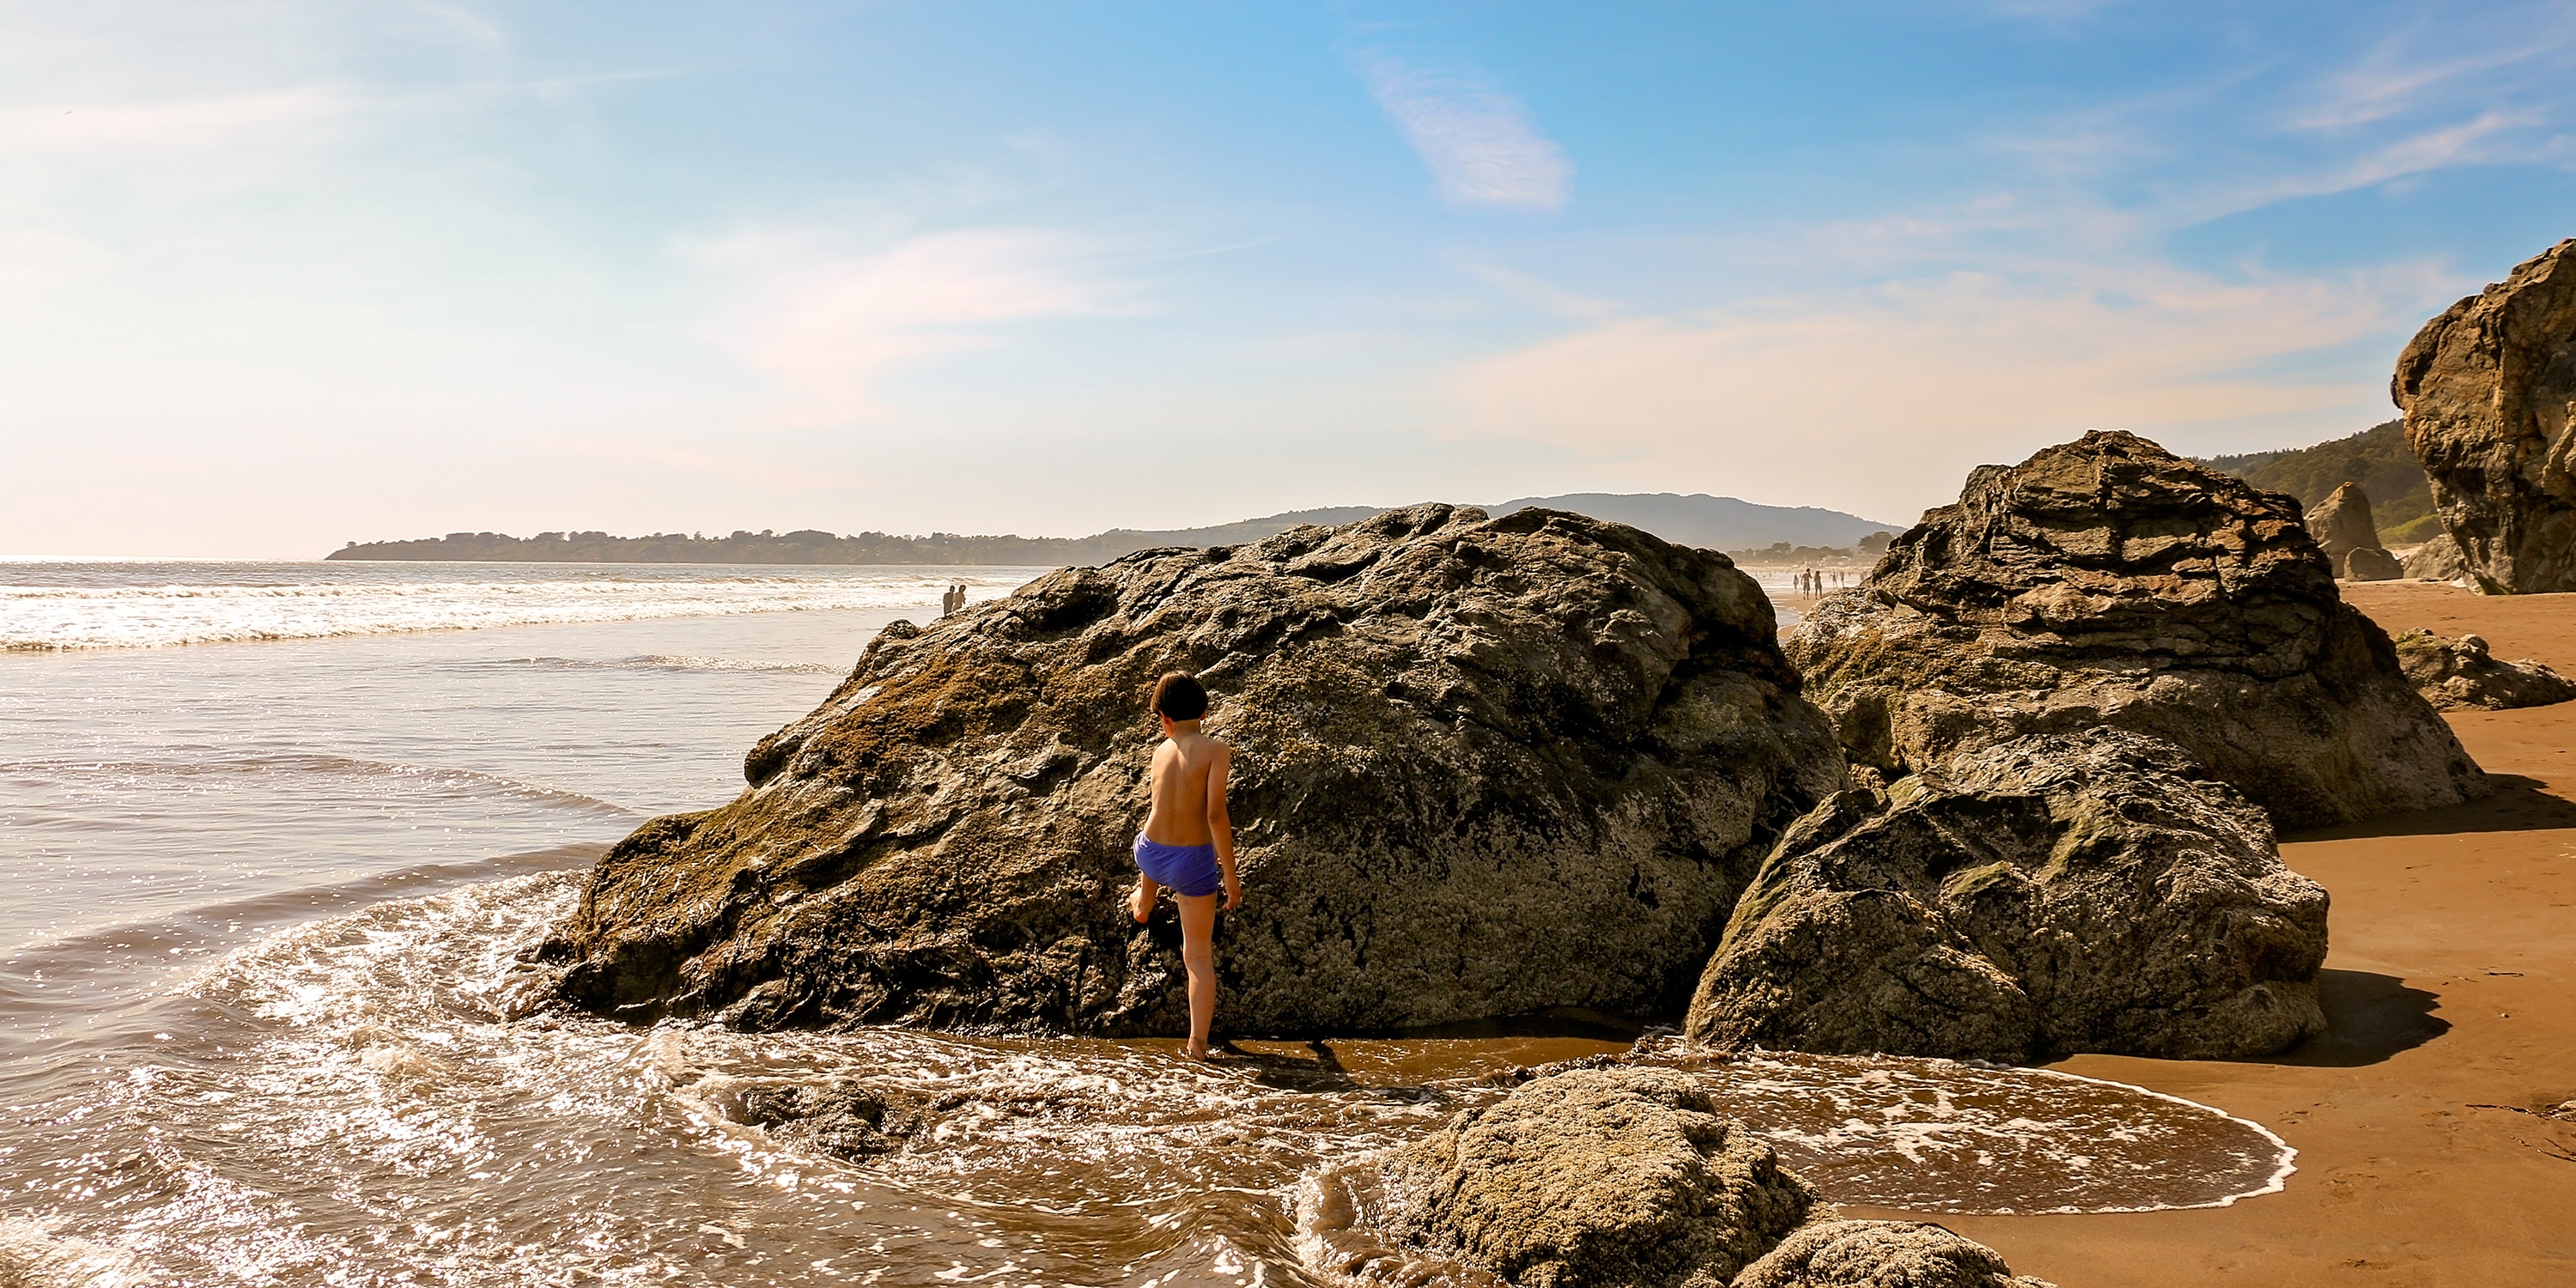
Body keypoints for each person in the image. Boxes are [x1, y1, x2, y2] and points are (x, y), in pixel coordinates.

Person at [1127, 671, 1241, 1060]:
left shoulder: (1161, 750)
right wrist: (1229, 873)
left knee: (1153, 859)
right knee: (1197, 957)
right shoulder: (1216, 750)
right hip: (1191, 865)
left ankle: (1143, 905)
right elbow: (1214, 816)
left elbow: (1161, 802)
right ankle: (1197, 1045)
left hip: (1150, 851)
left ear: (1164, 719)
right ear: (1206, 711)